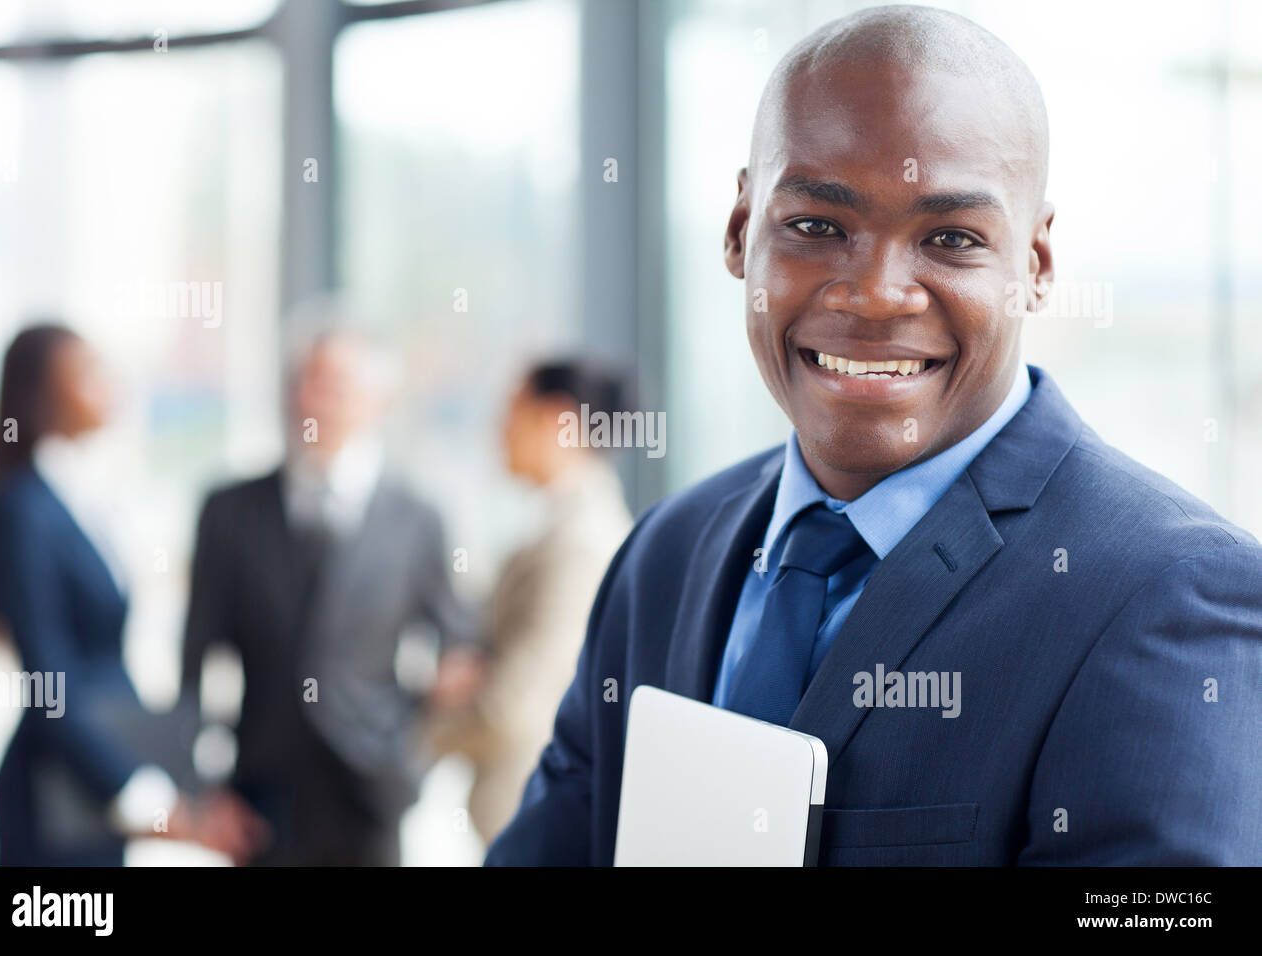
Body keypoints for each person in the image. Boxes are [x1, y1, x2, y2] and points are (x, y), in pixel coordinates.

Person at [485, 5, 1262, 866]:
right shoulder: (665, 554)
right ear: (743, 230)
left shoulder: (1171, 595)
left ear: (1034, 267)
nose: (877, 294)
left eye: (952, 238)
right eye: (817, 226)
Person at [180, 326, 476, 865]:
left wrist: (412, 754)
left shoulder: (418, 517)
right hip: (261, 797)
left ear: (377, 402)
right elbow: (194, 661)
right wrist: (199, 788)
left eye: (334, 384)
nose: (311, 400)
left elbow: (458, 648)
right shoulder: (228, 511)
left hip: (372, 794)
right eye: (302, 382)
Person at [0, 324, 265, 866]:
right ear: (42, 391)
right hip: (55, 794)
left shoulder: (79, 496)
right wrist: (143, 794)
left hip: (91, 789)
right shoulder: (24, 510)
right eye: (88, 374)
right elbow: (50, 684)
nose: (109, 388)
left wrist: (170, 785)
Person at [427, 360, 633, 845]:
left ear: (557, 421)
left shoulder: (580, 542)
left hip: (534, 823)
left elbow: (511, 706)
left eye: (511, 413)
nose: (498, 432)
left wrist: (418, 728)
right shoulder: (557, 530)